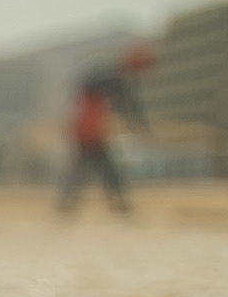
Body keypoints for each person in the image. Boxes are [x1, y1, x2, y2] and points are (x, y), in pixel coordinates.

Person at [56, 41, 156, 218]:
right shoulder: (114, 79)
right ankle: (116, 203)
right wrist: (141, 125)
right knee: (100, 168)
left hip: (87, 127)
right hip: (89, 129)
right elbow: (128, 105)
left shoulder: (108, 76)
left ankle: (68, 203)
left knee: (88, 168)